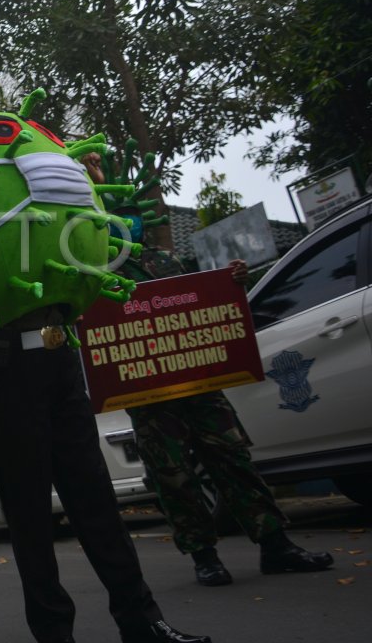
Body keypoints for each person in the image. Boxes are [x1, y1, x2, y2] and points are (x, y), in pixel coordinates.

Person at [0, 152, 209, 643]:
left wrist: (94, 188)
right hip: (3, 369)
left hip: (62, 359)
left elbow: (107, 251)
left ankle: (142, 621)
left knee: (96, 500)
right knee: (29, 512)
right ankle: (54, 633)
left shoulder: (42, 207)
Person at [83, 153, 334, 588]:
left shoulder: (165, 263)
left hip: (199, 381)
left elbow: (206, 300)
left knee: (233, 459)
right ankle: (204, 556)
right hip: (150, 395)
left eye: (131, 216)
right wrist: (93, 181)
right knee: (174, 476)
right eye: (116, 217)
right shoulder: (96, 274)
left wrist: (234, 281)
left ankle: (275, 545)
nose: (127, 224)